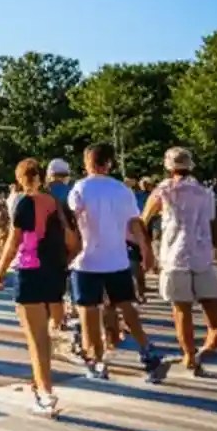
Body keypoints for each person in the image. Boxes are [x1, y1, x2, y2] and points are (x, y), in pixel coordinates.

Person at [67, 142, 162, 381]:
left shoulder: (80, 188)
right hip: (117, 258)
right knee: (127, 306)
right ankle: (146, 349)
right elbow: (134, 222)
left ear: (88, 163)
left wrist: (67, 252)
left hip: (86, 260)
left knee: (88, 310)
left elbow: (72, 221)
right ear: (109, 163)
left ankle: (97, 360)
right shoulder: (122, 190)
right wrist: (146, 250)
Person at [0, 158, 78, 417]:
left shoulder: (23, 203)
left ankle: (45, 392)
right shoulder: (55, 204)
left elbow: (13, 241)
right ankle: (41, 381)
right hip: (54, 272)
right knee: (46, 334)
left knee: (35, 337)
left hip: (30, 270)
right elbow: (73, 241)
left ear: (20, 179)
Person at [141, 148, 217, 376]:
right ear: (191, 166)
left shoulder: (164, 190)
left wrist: (145, 246)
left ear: (168, 166)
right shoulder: (204, 192)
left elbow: (144, 219)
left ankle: (189, 354)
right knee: (210, 305)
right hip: (202, 254)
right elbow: (211, 222)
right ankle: (210, 342)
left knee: (181, 308)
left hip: (174, 255)